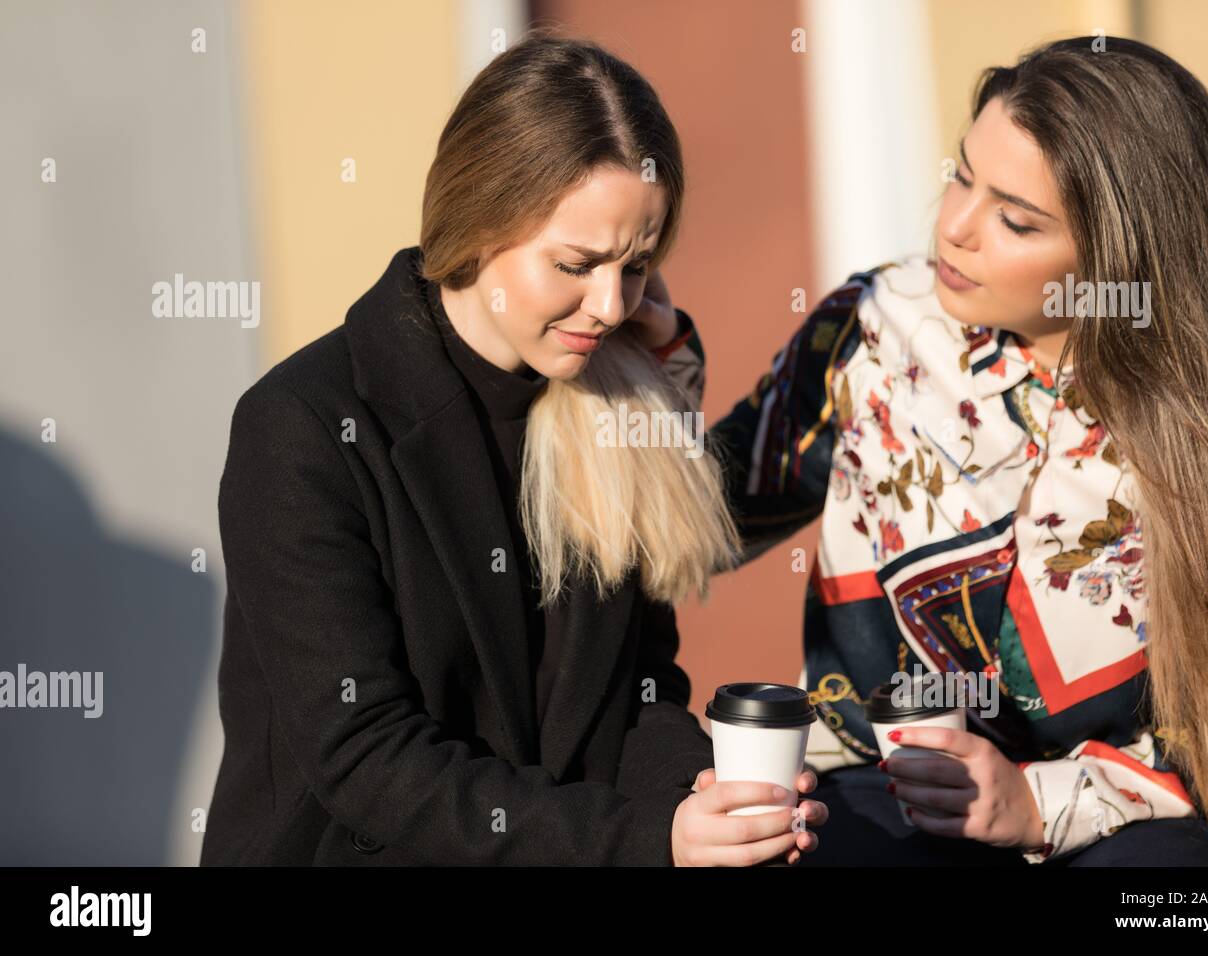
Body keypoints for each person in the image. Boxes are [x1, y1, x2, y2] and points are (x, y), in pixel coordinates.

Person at [201, 30, 828, 867]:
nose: (609, 304)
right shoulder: (304, 427)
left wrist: (700, 801)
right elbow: (366, 755)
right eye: (576, 263)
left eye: (637, 265)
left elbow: (643, 687)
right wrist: (645, 840)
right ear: (478, 219)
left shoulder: (612, 402)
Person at [706, 35, 1208, 866]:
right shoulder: (876, 328)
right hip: (873, 796)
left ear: (1119, 257)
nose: (954, 227)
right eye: (960, 175)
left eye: (1015, 220)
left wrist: (1036, 804)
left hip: (1119, 822)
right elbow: (696, 519)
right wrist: (636, 364)